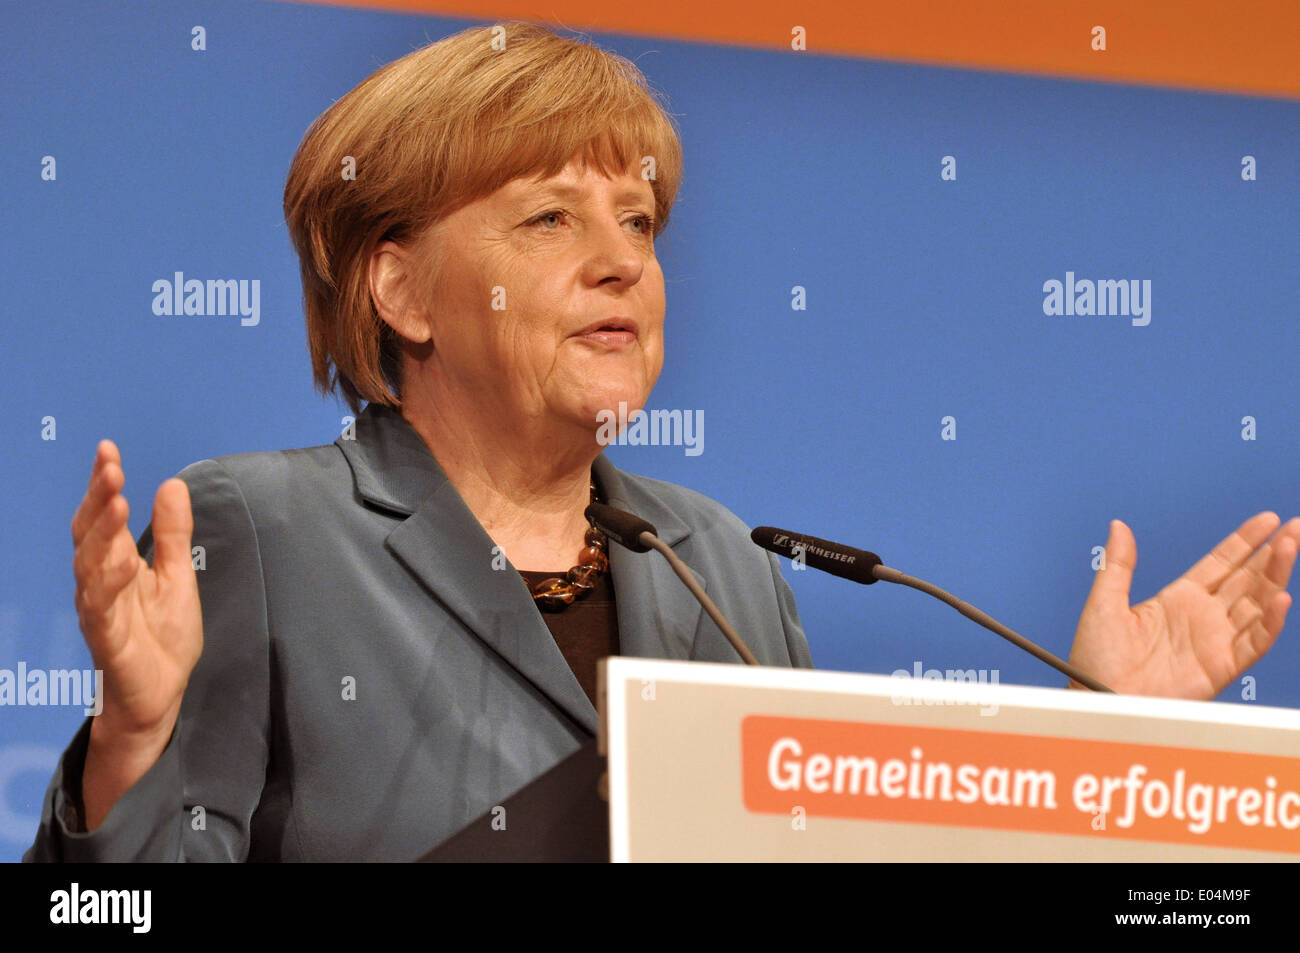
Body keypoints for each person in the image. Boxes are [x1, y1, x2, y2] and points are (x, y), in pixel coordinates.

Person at [25, 22, 1300, 862]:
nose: (620, 262)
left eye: (638, 223)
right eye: (548, 219)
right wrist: (132, 744)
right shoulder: (264, 531)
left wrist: (1101, 756)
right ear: (400, 291)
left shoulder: (717, 559)